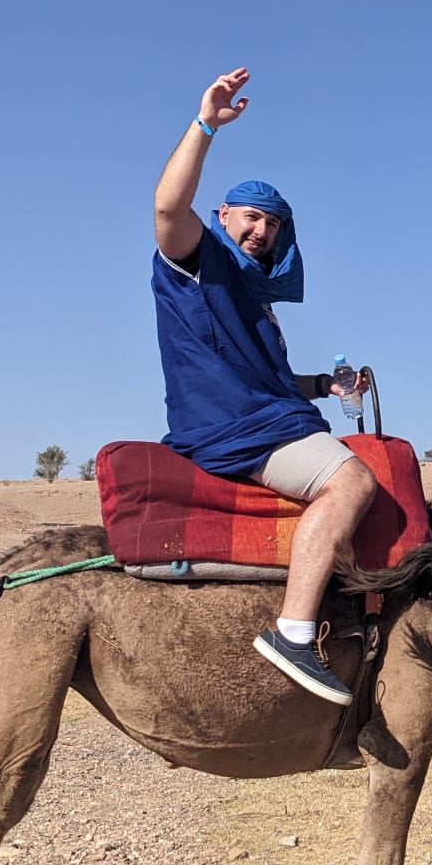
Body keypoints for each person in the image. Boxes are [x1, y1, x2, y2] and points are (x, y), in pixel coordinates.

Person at [152, 66, 377, 704]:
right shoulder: (195, 259)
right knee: (352, 482)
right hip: (235, 429)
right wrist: (206, 125)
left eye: (273, 224)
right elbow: (168, 208)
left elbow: (267, 380)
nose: (261, 231)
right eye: (251, 217)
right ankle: (294, 632)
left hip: (266, 416)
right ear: (223, 215)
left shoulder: (251, 295)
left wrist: (325, 386)